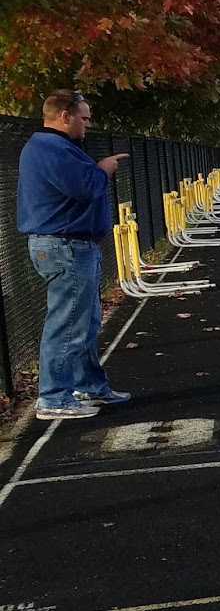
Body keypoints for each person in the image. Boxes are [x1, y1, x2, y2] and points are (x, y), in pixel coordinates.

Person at [17, 90, 129, 419]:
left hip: (68, 243)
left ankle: (88, 384)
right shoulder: (52, 149)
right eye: (84, 117)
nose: (88, 124)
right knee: (68, 323)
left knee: (85, 319)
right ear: (65, 116)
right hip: (64, 245)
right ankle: (53, 396)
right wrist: (103, 169)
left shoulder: (53, 147)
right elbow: (84, 187)